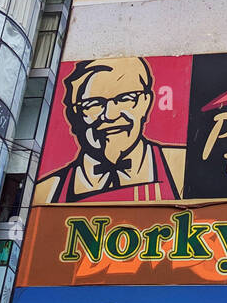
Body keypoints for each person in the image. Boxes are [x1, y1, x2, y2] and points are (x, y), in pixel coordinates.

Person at [34, 56, 184, 203]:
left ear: (146, 103)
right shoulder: (47, 192)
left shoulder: (181, 168)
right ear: (73, 115)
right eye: (93, 104)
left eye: (125, 99)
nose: (111, 115)